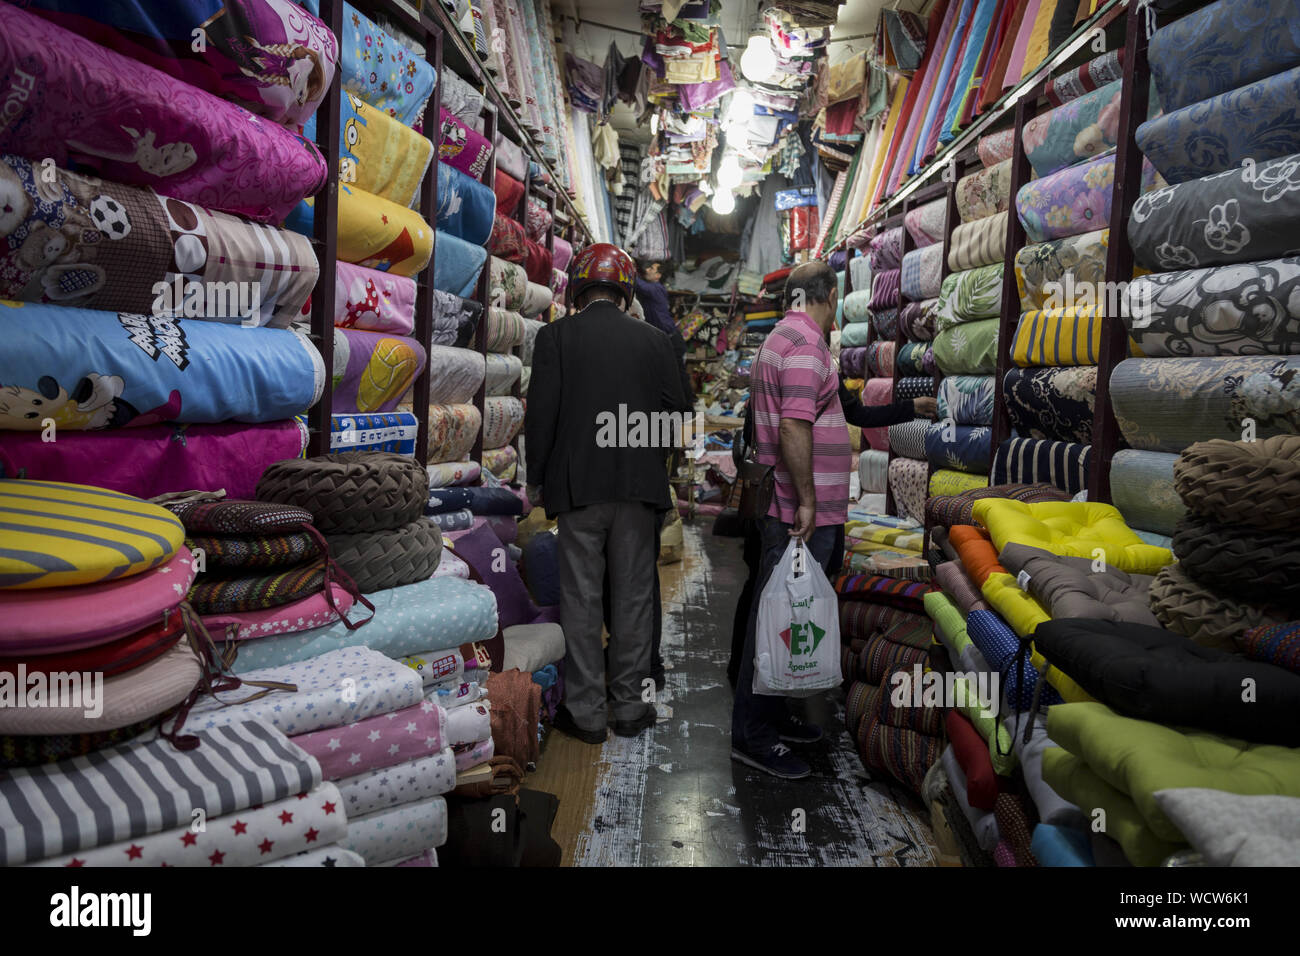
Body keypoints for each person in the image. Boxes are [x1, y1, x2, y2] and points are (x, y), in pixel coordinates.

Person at [525, 242, 692, 744]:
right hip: (639, 490)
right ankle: (632, 710)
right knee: (636, 598)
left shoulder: (555, 338)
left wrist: (536, 480)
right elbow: (680, 420)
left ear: (577, 286)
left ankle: (587, 715)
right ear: (625, 289)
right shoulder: (655, 341)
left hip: (578, 490)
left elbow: (541, 418)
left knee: (581, 598)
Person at [728, 260, 858, 779]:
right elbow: (794, 426)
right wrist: (807, 499)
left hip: (787, 506)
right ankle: (752, 734)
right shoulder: (805, 343)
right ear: (825, 295)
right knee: (777, 619)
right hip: (799, 512)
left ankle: (773, 717)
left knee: (781, 616)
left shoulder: (781, 338)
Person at [726, 377, 936, 688]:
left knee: (766, 593)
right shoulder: (806, 361)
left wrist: (911, 407)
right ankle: (766, 688)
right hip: (790, 502)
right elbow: (792, 429)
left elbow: (856, 414)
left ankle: (756, 682)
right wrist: (808, 501)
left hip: (781, 499)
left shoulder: (792, 359)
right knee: (776, 599)